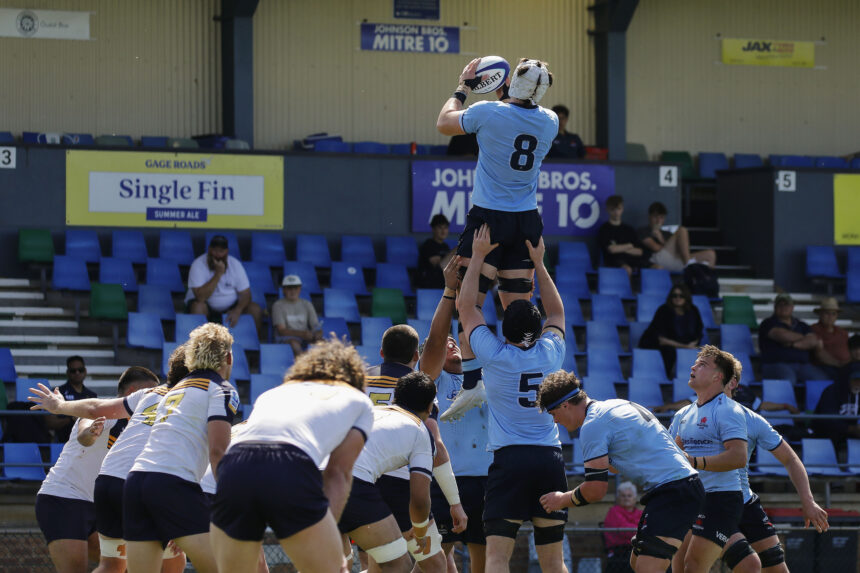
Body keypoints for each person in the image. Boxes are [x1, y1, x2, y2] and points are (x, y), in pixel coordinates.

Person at [457, 225, 569, 573]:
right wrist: (539, 263)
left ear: (504, 328)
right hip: (549, 458)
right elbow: (556, 314)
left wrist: (478, 256)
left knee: (496, 559)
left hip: (510, 461)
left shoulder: (494, 354)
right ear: (538, 330)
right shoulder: (551, 352)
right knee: (554, 561)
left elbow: (466, 307)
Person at [211, 338, 373, 573]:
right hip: (289, 465)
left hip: (234, 466)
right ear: (355, 377)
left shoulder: (273, 393)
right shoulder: (360, 402)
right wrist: (328, 535)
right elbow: (338, 473)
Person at [30, 355, 188, 573]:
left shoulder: (143, 425)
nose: (157, 397)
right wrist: (90, 433)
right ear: (133, 392)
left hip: (100, 502)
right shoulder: (108, 412)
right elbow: (84, 433)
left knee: (118, 566)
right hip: (65, 498)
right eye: (152, 391)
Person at [537, 371, 703, 573]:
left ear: (565, 405)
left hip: (674, 490)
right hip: (677, 488)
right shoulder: (615, 405)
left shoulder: (592, 425)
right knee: (637, 563)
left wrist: (561, 500)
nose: (555, 421)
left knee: (647, 568)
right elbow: (624, 460)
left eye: (553, 414)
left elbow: (595, 490)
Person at [437, 57, 557, 308]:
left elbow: (444, 123)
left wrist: (463, 87)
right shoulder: (550, 121)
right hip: (525, 220)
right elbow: (517, 113)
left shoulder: (487, 112)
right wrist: (505, 92)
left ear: (514, 82)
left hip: (488, 219)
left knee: (468, 308)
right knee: (519, 312)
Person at [124, 323, 239, 573]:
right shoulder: (222, 390)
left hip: (136, 482)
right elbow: (218, 453)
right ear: (228, 357)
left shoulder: (174, 389)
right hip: (172, 483)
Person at [365, 321, 466, 573]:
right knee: (435, 564)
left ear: (381, 353)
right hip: (399, 485)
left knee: (381, 563)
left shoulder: (358, 380)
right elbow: (435, 445)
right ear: (416, 356)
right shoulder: (418, 387)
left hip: (359, 482)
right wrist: (454, 501)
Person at [722, 364, 829, 573]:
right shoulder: (690, 416)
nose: (694, 368)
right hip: (710, 503)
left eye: (706, 366)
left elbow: (791, 459)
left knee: (775, 566)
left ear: (731, 383)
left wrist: (808, 501)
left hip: (744, 502)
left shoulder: (751, 418)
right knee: (746, 564)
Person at [423, 256, 492, 573]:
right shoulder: (432, 382)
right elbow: (438, 338)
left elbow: (470, 334)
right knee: (438, 557)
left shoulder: (486, 378)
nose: (451, 343)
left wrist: (470, 291)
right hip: (445, 479)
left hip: (486, 479)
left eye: (456, 341)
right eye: (445, 344)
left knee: (484, 558)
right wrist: (450, 292)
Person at [668, 346, 759, 573]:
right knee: (679, 567)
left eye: (702, 365)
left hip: (720, 498)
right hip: (691, 497)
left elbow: (738, 457)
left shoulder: (728, 410)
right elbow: (672, 455)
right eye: (696, 363)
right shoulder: (685, 413)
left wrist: (694, 462)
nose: (693, 367)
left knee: (693, 566)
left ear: (718, 376)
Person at [337, 372, 440, 572]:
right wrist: (420, 533)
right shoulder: (420, 430)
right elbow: (420, 499)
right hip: (348, 482)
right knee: (397, 564)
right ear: (430, 407)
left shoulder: (369, 413)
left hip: (305, 478)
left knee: (336, 565)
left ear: (395, 397)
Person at [185, 234, 262, 333]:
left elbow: (246, 294)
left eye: (221, 251)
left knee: (254, 309)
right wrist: (218, 274)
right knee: (198, 306)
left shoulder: (235, 264)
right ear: (209, 249)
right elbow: (200, 297)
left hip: (231, 306)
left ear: (226, 251)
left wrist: (238, 310)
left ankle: (255, 342)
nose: (217, 255)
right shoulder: (198, 264)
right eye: (215, 250)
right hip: (207, 306)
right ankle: (199, 341)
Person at [758, 293, 827, 385]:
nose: (783, 307)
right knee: (788, 379)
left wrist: (792, 344)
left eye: (786, 304)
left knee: (821, 380)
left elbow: (814, 341)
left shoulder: (801, 324)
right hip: (774, 364)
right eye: (780, 305)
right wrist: (804, 337)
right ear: (775, 307)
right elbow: (782, 335)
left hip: (803, 365)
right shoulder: (767, 323)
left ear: (792, 307)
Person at [638, 285, 704, 377]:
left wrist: (693, 343)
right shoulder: (663, 310)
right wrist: (685, 346)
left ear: (686, 297)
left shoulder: (693, 310)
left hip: (687, 344)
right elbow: (662, 340)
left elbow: (699, 331)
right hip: (664, 345)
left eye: (681, 296)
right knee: (669, 352)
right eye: (674, 296)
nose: (678, 298)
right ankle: (666, 377)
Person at [638, 202, 716, 271]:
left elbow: (681, 250)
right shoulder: (643, 231)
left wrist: (662, 238)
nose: (658, 221)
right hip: (656, 260)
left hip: (675, 260)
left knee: (711, 254)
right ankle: (688, 265)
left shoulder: (667, 233)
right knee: (682, 230)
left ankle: (707, 280)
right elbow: (656, 248)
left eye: (661, 217)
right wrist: (660, 238)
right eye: (655, 217)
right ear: (649, 216)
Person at [46, 356, 98, 443]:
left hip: (86, 441)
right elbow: (50, 423)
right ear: (67, 372)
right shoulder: (58, 393)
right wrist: (71, 419)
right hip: (64, 441)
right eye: (73, 371)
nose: (77, 373)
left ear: (85, 371)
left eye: (80, 370)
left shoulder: (92, 395)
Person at [271, 274, 322, 356]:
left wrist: (318, 333)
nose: (293, 291)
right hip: (286, 338)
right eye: (289, 288)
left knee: (323, 343)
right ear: (283, 290)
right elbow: (281, 331)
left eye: (295, 288)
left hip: (305, 337)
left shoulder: (307, 304)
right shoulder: (278, 305)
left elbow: (315, 326)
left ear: (300, 289)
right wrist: (302, 334)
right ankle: (304, 363)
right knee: (294, 344)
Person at [597, 195, 647, 277]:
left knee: (655, 268)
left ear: (622, 209)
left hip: (633, 260)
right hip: (613, 261)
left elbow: (639, 252)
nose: (616, 212)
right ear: (607, 210)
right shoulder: (604, 229)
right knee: (626, 269)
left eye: (618, 209)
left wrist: (620, 248)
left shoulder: (629, 229)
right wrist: (629, 246)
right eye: (613, 209)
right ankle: (626, 286)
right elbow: (612, 250)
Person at [812, 365, 860, 445]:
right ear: (848, 380)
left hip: (853, 434)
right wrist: (851, 429)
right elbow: (828, 418)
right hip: (828, 434)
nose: (858, 383)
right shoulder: (832, 391)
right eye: (855, 380)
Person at [602, 483, 643, 573]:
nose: (626, 498)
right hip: (619, 551)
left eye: (629, 496)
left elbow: (648, 528)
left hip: (639, 549)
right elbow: (626, 531)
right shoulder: (614, 511)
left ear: (635, 498)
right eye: (623, 496)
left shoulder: (640, 513)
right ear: (618, 498)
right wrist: (641, 531)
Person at [809, 296, 851, 378]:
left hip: (845, 367)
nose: (830, 316)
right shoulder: (813, 330)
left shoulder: (843, 332)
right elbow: (819, 353)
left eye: (833, 314)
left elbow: (851, 351)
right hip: (823, 367)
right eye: (827, 313)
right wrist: (838, 364)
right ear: (820, 314)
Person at [417, 214, 453, 289]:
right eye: (440, 228)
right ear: (433, 229)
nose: (443, 231)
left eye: (445, 228)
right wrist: (456, 251)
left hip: (443, 282)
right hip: (429, 283)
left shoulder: (446, 246)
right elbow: (438, 265)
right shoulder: (428, 244)